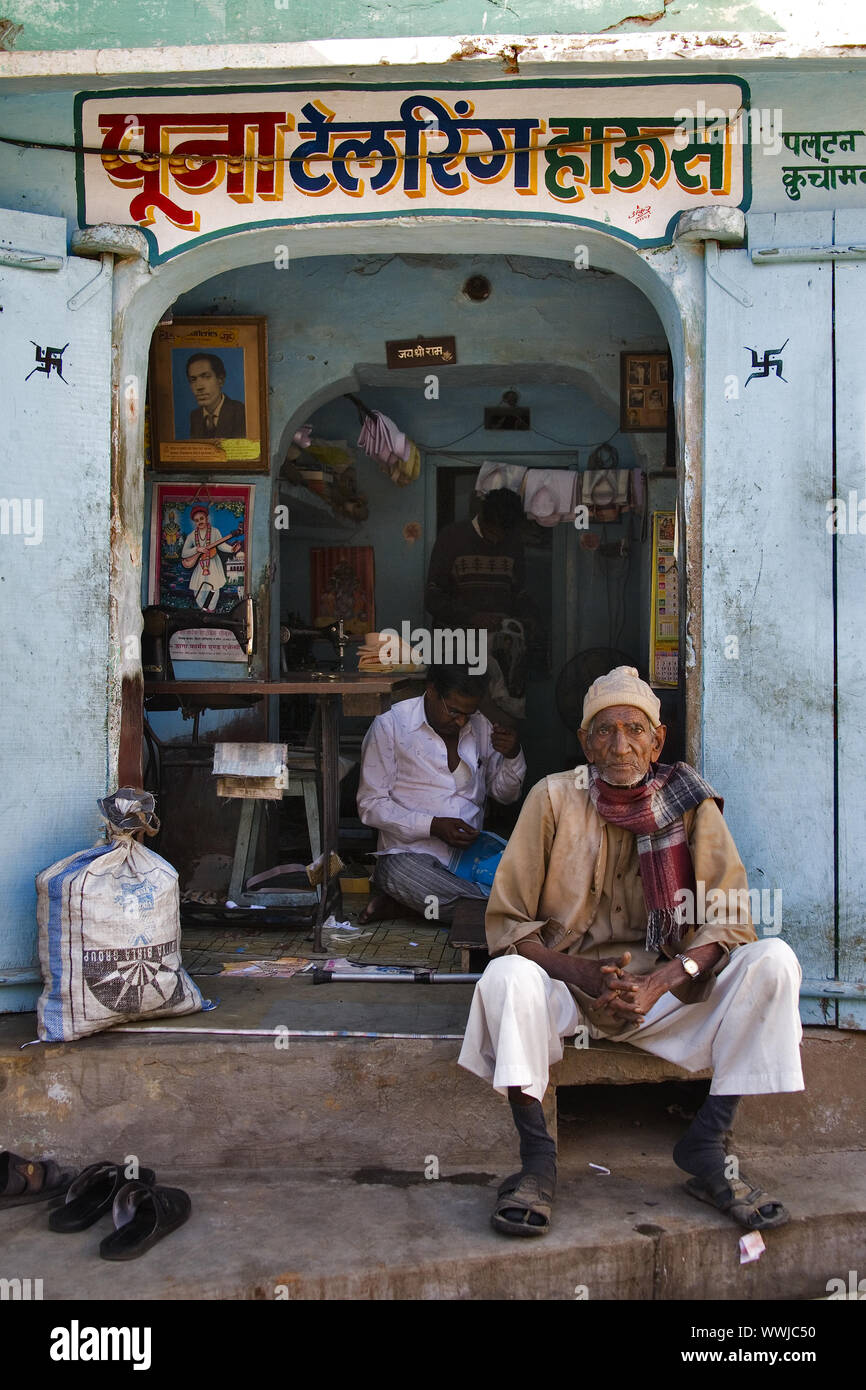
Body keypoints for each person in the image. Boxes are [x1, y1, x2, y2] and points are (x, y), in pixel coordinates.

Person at [458, 665, 804, 1238]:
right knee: (505, 978)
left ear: (657, 740)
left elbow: (730, 920)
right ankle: (537, 1164)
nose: (620, 745)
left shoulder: (689, 803)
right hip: (570, 992)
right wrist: (583, 974)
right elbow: (508, 925)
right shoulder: (551, 799)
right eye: (604, 731)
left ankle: (709, 1149)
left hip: (669, 996)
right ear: (584, 741)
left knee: (774, 963)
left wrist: (664, 978)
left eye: (634, 730)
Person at [356, 664, 526, 925]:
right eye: (454, 711)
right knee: (396, 874)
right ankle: (505, 914)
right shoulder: (391, 726)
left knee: (530, 872)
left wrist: (513, 755)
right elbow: (370, 805)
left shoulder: (479, 725)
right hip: (412, 859)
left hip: (471, 862)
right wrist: (433, 826)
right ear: (432, 690)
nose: (461, 721)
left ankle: (414, 906)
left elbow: (504, 794)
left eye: (468, 714)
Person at [425, 488, 535, 720]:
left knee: (505, 717)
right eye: (493, 532)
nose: (497, 541)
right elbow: (433, 598)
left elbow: (520, 594)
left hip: (502, 650)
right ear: (483, 517)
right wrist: (472, 617)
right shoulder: (452, 538)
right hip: (458, 648)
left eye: (504, 534)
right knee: (464, 712)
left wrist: (526, 623)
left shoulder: (513, 542)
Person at [180, 505, 242, 611]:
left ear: (206, 518)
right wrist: (197, 549)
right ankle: (202, 612)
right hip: (200, 566)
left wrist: (232, 549)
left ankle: (211, 612)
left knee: (214, 588)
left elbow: (221, 546)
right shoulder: (191, 536)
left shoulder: (215, 531)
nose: (200, 522)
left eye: (201, 518)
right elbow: (184, 553)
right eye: (196, 520)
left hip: (213, 564)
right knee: (198, 591)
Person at [185, 353, 246, 439]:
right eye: (193, 380)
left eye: (206, 377)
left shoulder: (240, 412)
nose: (199, 387)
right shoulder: (195, 416)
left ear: (220, 380)